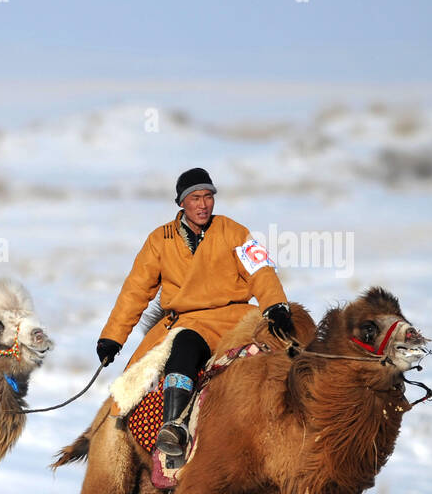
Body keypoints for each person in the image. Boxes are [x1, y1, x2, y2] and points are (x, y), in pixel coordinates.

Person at [95, 167, 294, 460]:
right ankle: (174, 427)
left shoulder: (234, 232)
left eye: (208, 197)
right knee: (184, 345)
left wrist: (276, 305)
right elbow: (136, 291)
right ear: (181, 203)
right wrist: (112, 338)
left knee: (285, 353)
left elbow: (260, 271)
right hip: (191, 322)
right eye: (195, 198)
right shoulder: (159, 240)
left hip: (238, 319)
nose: (203, 204)